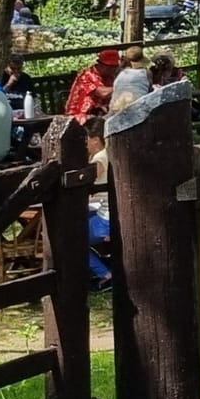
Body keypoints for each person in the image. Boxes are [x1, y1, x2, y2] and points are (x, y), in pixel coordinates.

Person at [85, 118, 113, 291]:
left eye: (86, 138)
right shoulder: (109, 152)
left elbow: (87, 183)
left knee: (72, 239)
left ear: (95, 139)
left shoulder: (99, 160)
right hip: (105, 210)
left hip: (106, 219)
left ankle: (105, 274)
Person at [64, 49, 120, 121]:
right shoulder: (87, 75)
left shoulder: (109, 76)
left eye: (115, 67)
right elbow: (103, 93)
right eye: (110, 67)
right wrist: (122, 86)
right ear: (100, 64)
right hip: (79, 116)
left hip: (99, 114)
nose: (113, 70)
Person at [109, 46, 152, 111]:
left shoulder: (120, 73)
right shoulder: (146, 73)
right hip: (137, 110)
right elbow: (149, 91)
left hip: (115, 109)